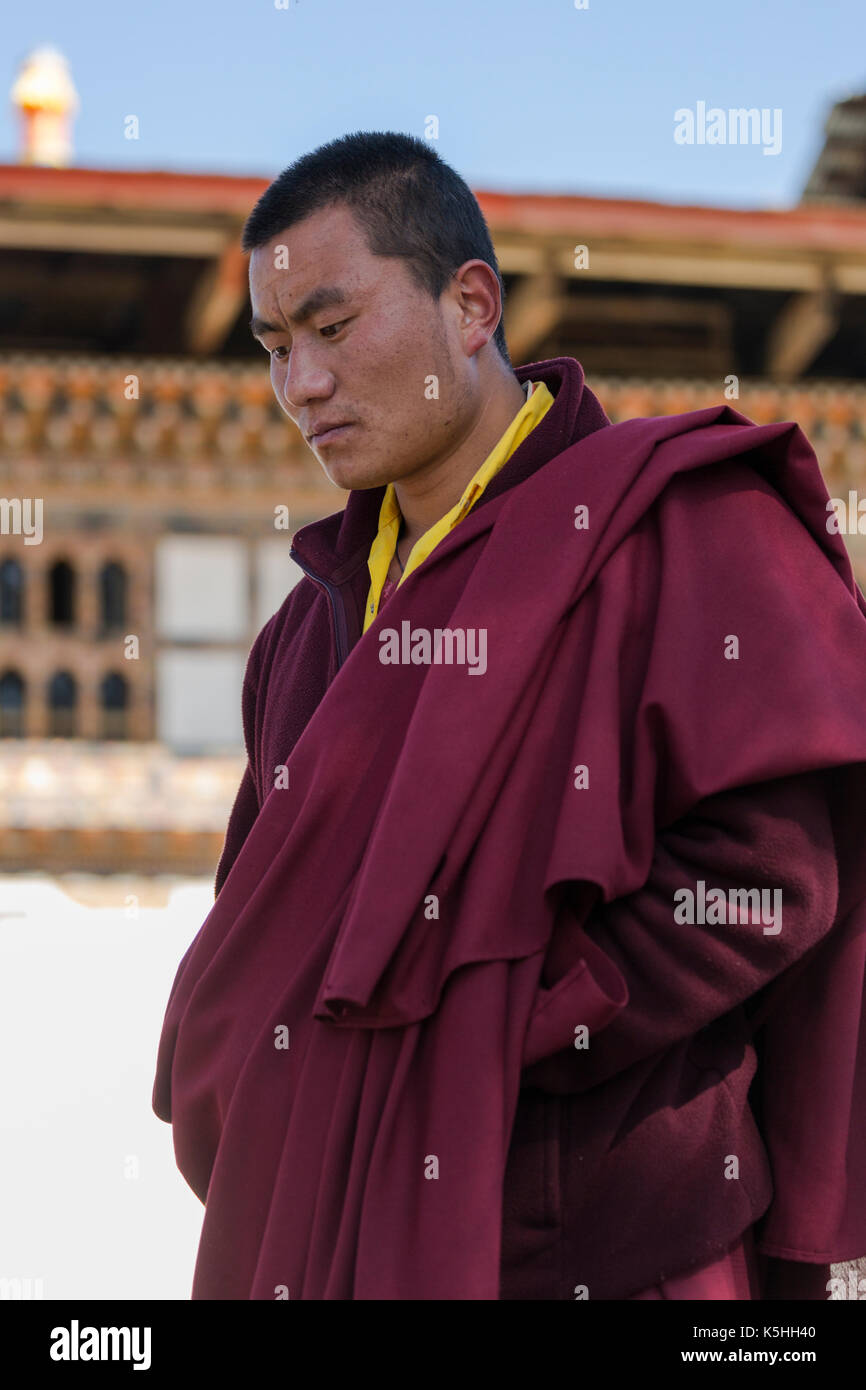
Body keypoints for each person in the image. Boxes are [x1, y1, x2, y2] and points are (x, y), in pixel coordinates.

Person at [153, 130, 866, 1301]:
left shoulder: (673, 527)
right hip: (349, 1219)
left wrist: (513, 1030)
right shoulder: (304, 637)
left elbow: (771, 875)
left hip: (609, 1231)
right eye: (276, 347)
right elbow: (267, 930)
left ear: (470, 303)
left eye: (333, 328)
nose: (301, 386)